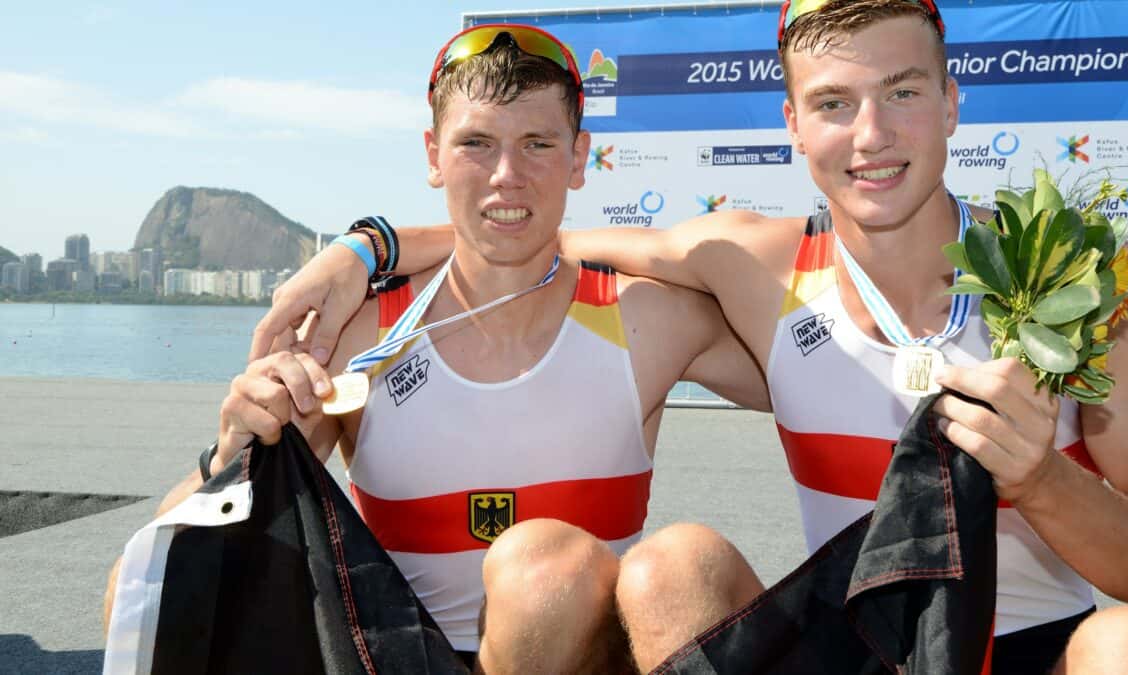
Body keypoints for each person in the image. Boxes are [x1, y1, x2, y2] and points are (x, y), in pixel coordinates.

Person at [251, 1, 1128, 673]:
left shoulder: (1082, 276)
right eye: (833, 103)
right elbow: (520, 229)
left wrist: (1046, 480)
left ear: (952, 102)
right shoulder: (757, 268)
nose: (871, 134)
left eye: (903, 93)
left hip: (1050, 644)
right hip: (857, 648)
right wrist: (358, 250)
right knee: (677, 566)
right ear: (793, 123)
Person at [104, 23, 771, 675]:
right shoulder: (358, 333)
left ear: (578, 158)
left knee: (684, 566)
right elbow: (143, 595)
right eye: (476, 143)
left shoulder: (646, 318)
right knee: (540, 572)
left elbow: (831, 376)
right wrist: (225, 455)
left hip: (590, 653)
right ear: (433, 154)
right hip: (405, 655)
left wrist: (374, 242)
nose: (507, 175)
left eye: (537, 143)